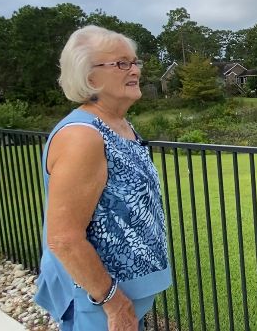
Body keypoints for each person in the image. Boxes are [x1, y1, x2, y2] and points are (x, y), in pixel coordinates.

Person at [34, 25, 171, 330]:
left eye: (135, 62)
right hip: (97, 300)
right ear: (89, 76)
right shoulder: (83, 136)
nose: (134, 69)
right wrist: (115, 304)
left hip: (126, 291)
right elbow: (64, 239)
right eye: (121, 63)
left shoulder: (120, 125)